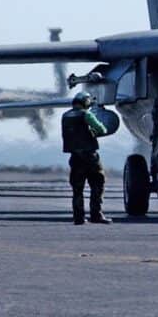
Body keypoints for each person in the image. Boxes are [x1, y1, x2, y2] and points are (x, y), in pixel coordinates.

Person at [61, 91, 111, 225]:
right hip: (90, 157)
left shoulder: (65, 116)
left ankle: (78, 218)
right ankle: (96, 215)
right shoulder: (86, 114)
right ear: (85, 101)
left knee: (77, 188)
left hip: (75, 157)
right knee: (97, 185)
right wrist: (94, 131)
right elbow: (102, 129)